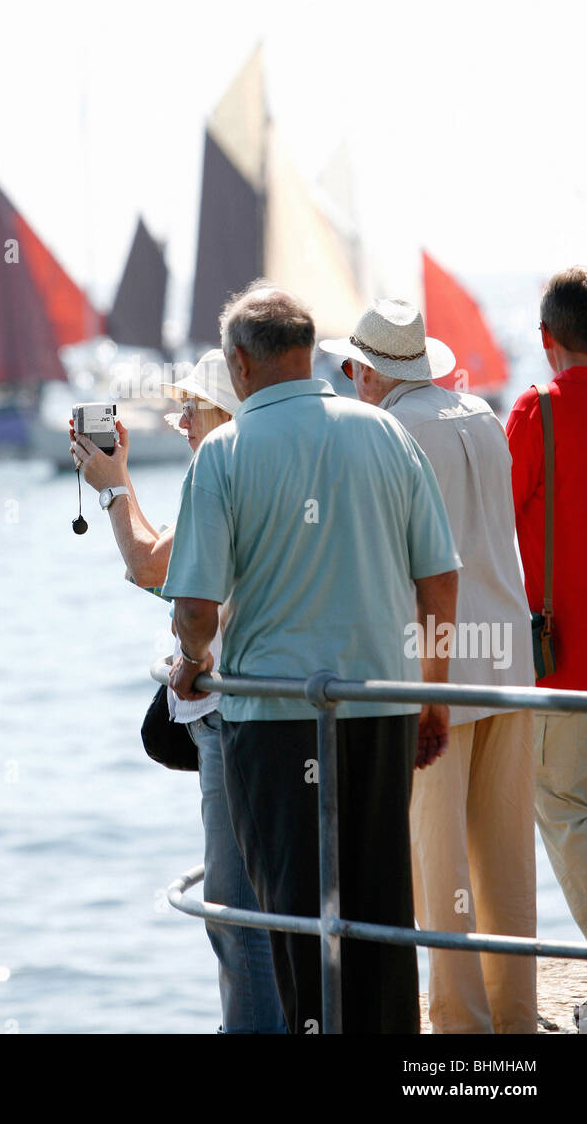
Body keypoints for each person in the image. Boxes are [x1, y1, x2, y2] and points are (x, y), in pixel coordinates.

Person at [163, 281, 460, 1035]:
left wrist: (189, 663)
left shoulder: (222, 453)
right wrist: (431, 695)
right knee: (380, 906)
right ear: (310, 353)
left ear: (237, 361)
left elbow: (195, 610)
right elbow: (439, 579)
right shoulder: (384, 434)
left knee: (295, 916)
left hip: (274, 716)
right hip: (382, 705)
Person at [321, 298, 537, 1035]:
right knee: (506, 859)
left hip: (435, 667)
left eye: (351, 369)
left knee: (437, 861)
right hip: (508, 658)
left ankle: (459, 1026)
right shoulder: (478, 414)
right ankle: (514, 1017)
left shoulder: (385, 433)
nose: (349, 382)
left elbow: (383, 564)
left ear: (368, 372)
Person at [69, 349, 286, 1034]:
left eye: (190, 404)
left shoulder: (218, 464)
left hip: (236, 715)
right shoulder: (281, 464)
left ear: (224, 409)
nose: (179, 416)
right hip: (299, 708)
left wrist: (111, 485)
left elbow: (152, 568)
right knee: (295, 898)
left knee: (232, 905)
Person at [507, 267, 587, 938]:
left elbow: (490, 522)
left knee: (564, 805)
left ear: (544, 337)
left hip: (563, 661)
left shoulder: (538, 410)